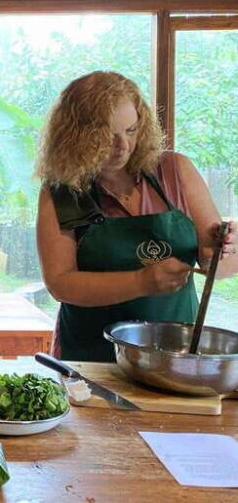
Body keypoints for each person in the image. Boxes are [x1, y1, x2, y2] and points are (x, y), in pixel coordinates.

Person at [35, 71, 236, 362]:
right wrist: (141, 282)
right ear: (75, 136)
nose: (123, 147)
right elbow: (60, 283)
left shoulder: (175, 171)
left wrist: (225, 251)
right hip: (91, 356)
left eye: (131, 131)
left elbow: (218, 264)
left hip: (175, 355)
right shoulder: (63, 190)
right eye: (107, 136)